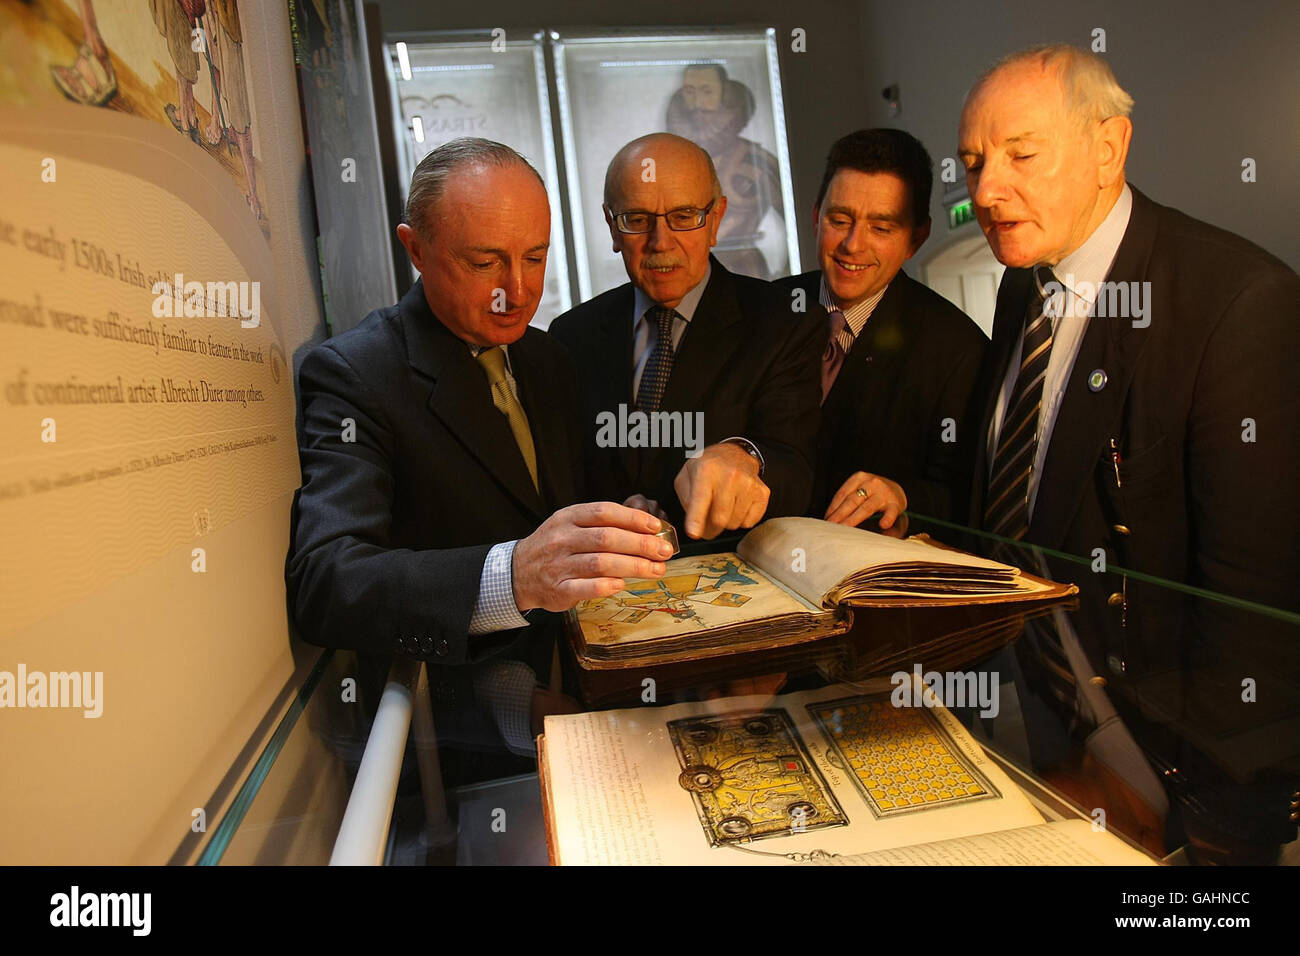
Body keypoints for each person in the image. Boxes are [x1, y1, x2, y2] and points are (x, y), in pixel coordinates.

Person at [959, 44, 1300, 859]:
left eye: (1021, 156)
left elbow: (1254, 602)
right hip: (1050, 710)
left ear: (1109, 148)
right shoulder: (1023, 277)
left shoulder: (1239, 303)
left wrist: (1220, 825)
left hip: (1182, 768)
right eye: (972, 162)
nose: (985, 192)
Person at [286, 139, 672, 757]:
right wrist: (512, 575)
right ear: (415, 248)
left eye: (536, 257)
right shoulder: (356, 374)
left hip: (588, 697)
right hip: (463, 741)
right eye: (484, 262)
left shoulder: (547, 357)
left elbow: (558, 505)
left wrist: (621, 516)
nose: (516, 293)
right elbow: (327, 582)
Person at [548, 133, 823, 542]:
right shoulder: (570, 336)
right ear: (611, 225)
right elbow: (561, 476)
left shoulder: (783, 323)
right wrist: (607, 513)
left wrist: (746, 457)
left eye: (684, 216)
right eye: (637, 220)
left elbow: (795, 468)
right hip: (609, 582)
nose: (661, 242)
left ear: (715, 220)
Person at [776, 129, 986, 533]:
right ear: (815, 215)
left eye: (881, 228)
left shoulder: (958, 349)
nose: (853, 245)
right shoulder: (764, 312)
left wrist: (904, 496)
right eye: (840, 220)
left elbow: (968, 499)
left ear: (916, 238)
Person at [667, 64, 784, 279]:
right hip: (684, 278)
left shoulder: (757, 162)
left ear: (726, 96)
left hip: (746, 276)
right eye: (690, 92)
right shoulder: (668, 162)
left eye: (707, 92)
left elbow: (798, 224)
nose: (697, 104)